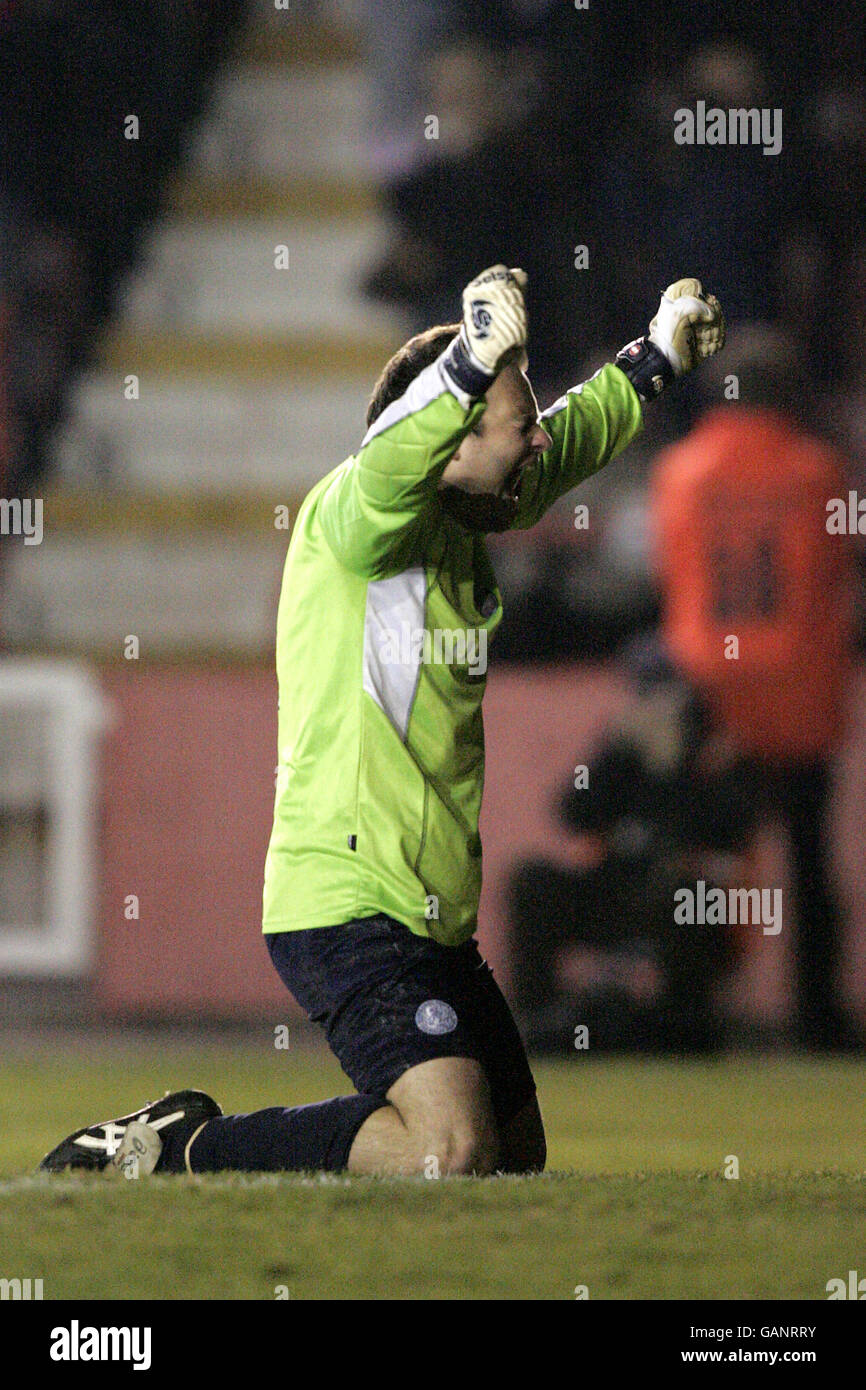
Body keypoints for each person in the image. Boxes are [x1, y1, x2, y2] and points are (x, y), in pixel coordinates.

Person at [40, 268, 725, 1178]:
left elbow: (562, 443)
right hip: (348, 905)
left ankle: (275, 1136)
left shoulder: (457, 513)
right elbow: (395, 461)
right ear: (445, 436)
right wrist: (471, 361)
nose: (536, 447)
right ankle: (181, 1150)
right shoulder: (351, 518)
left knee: (512, 1158)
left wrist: (655, 360)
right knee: (452, 1149)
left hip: (429, 917)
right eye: (516, 429)